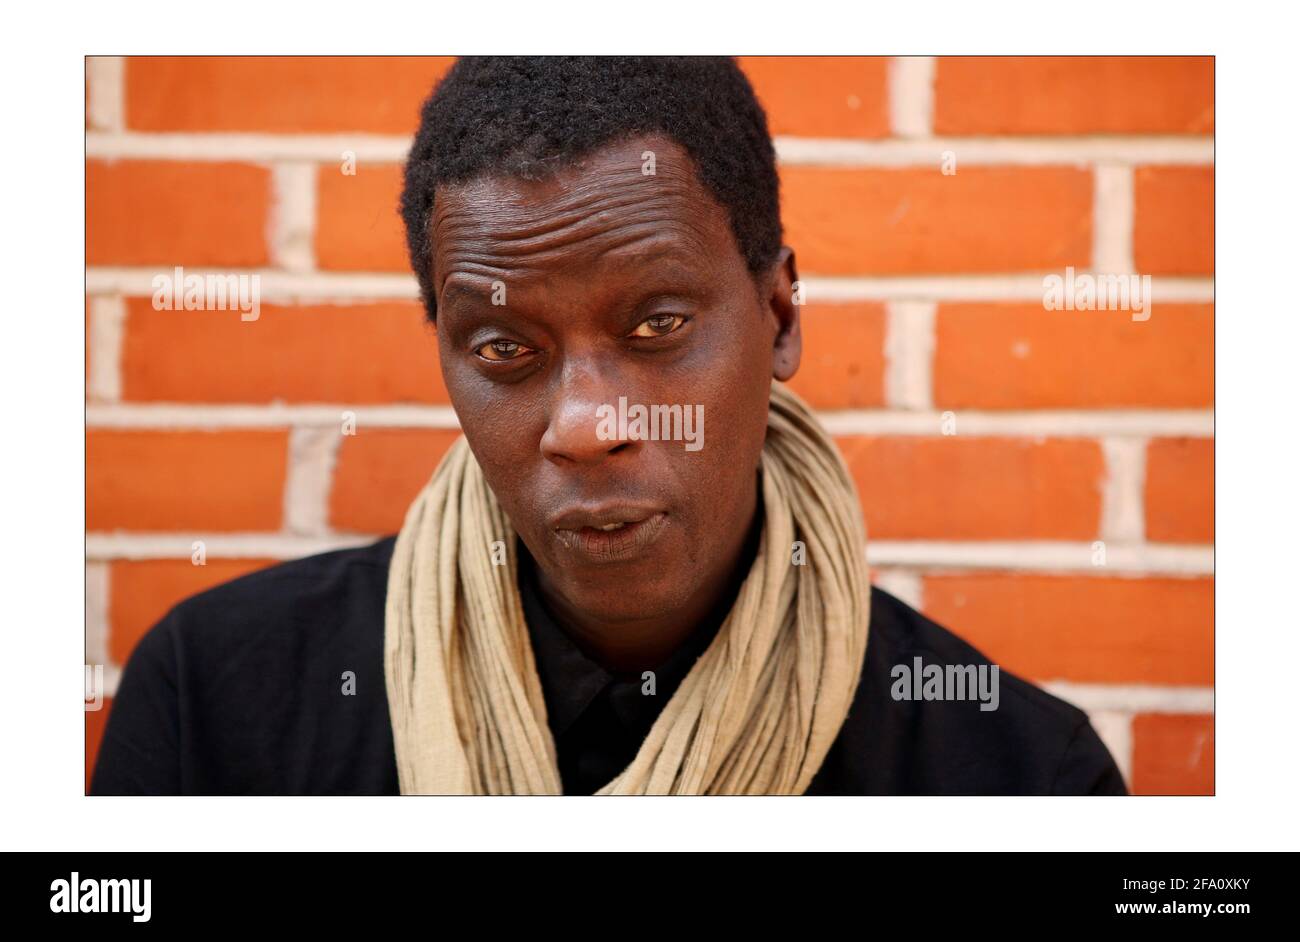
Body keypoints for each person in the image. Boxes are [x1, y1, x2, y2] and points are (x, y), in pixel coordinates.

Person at [91, 57, 1126, 796]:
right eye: (503, 347)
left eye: (659, 323)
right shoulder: (217, 709)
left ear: (777, 318)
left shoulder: (1014, 780)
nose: (586, 427)